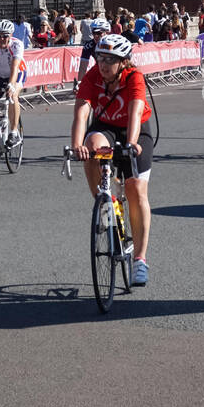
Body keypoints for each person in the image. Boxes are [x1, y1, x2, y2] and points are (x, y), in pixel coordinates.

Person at [71, 34, 153, 286]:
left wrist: (131, 143)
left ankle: (140, 259)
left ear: (123, 61)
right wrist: (76, 143)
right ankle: (105, 203)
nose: (103, 64)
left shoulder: (134, 78)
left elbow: (136, 110)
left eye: (110, 59)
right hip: (105, 126)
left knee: (136, 189)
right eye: (100, 58)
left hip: (135, 129)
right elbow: (83, 109)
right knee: (91, 148)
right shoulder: (93, 76)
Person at [76, 17, 110, 82]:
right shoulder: (89, 46)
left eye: (99, 33)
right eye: (93, 33)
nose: (96, 36)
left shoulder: (112, 43)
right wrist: (79, 83)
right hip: (100, 68)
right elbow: (83, 67)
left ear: (106, 32)